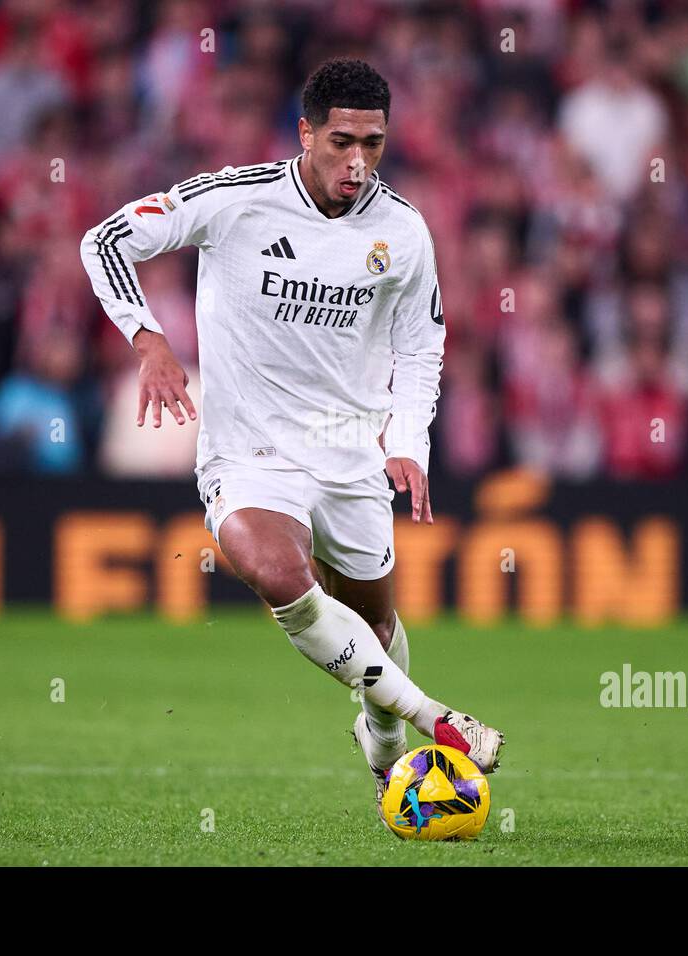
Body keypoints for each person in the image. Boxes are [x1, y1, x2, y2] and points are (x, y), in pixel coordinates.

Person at [79, 58, 504, 811]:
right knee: (278, 572)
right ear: (304, 132)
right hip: (249, 453)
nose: (358, 162)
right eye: (342, 141)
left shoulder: (402, 231)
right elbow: (105, 241)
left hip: (350, 453)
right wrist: (147, 340)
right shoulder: (234, 199)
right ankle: (435, 717)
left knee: (374, 619)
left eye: (374, 144)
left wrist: (409, 439)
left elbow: (423, 345)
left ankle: (383, 740)